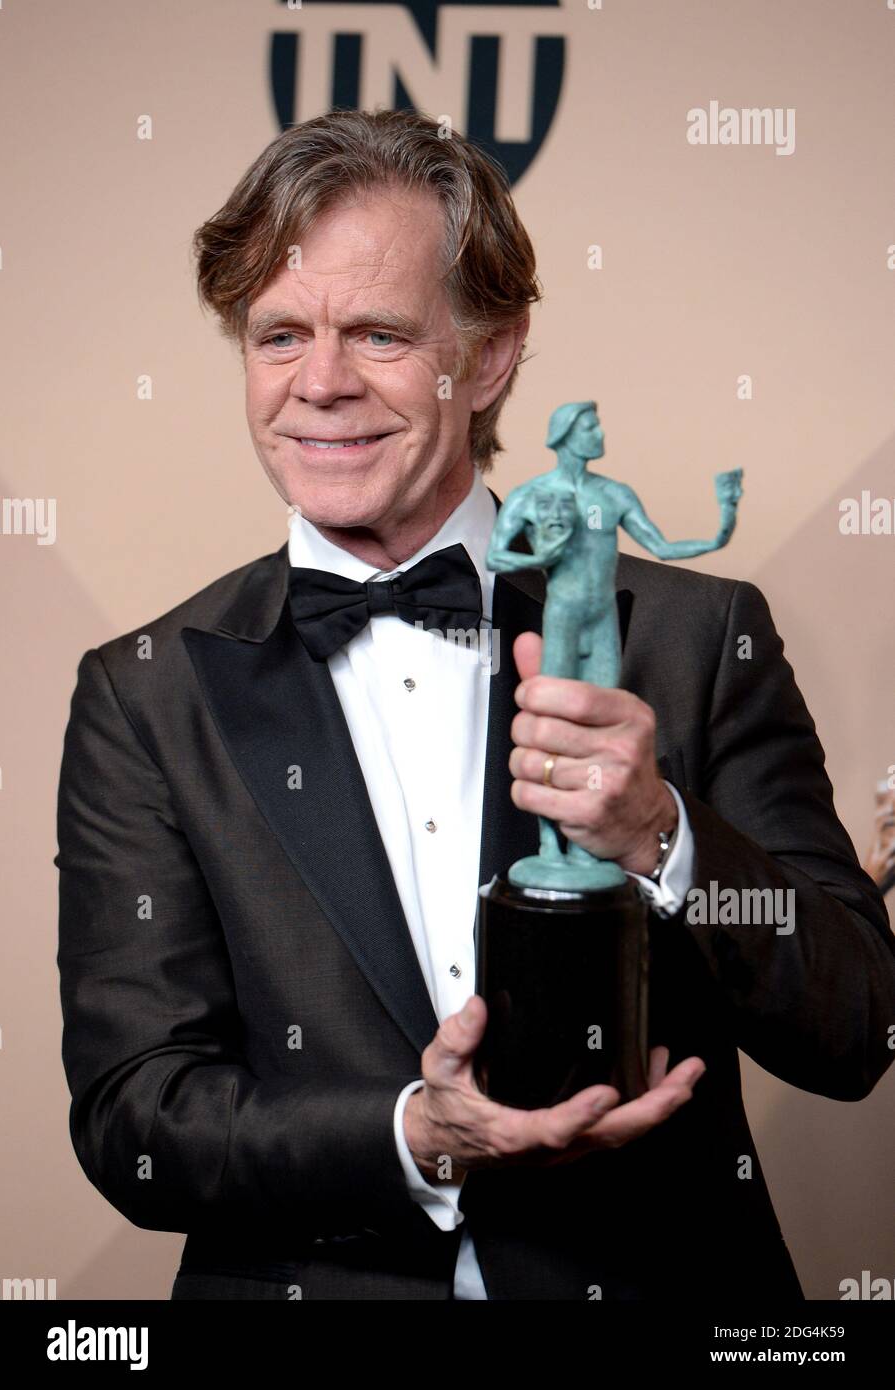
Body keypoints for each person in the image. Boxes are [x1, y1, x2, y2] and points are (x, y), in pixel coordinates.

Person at [56, 107, 895, 1301]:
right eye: (279, 333)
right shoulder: (144, 695)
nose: (320, 384)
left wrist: (665, 834)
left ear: (490, 353)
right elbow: (135, 1115)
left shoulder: (700, 638)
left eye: (379, 333)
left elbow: (860, 1026)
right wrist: (418, 1132)